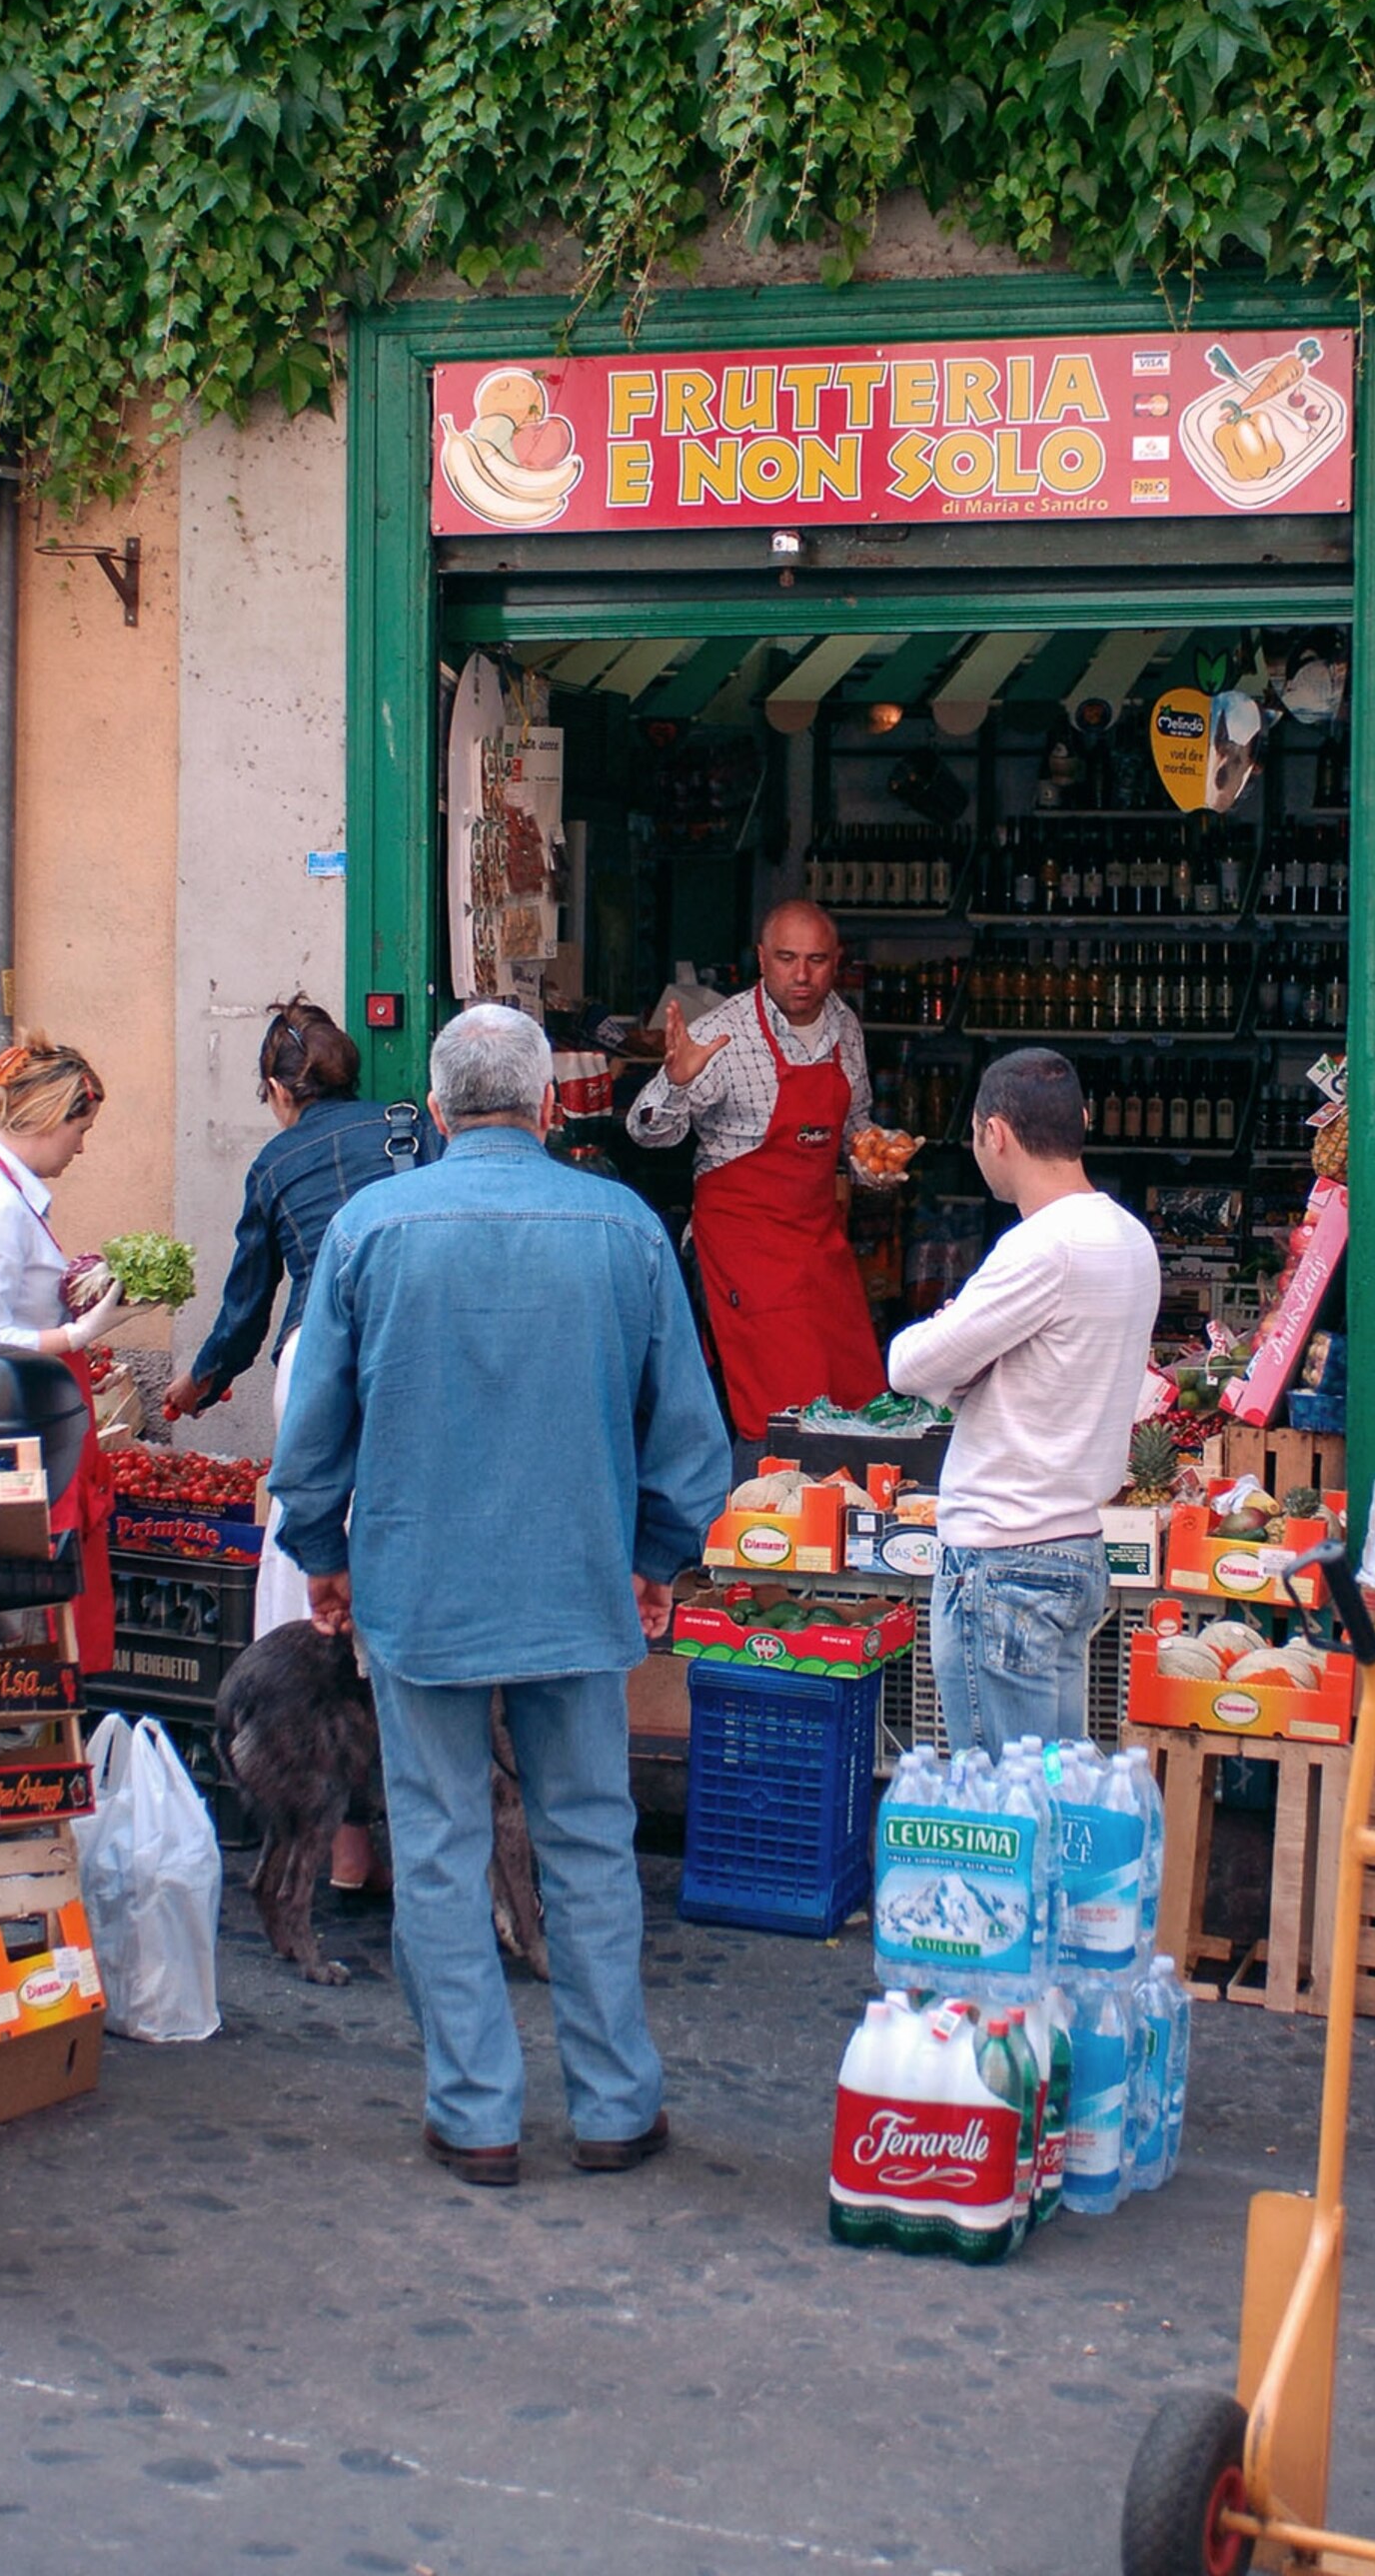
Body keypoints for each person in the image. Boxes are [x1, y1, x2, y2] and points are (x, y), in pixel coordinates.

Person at [272, 1003, 729, 2185]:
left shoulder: (371, 1227)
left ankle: (475, 2115)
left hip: (419, 1583)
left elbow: (313, 1428)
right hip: (576, 1582)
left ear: (434, 1111)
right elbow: (689, 1437)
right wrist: (656, 1558)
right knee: (589, 1843)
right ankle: (614, 2105)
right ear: (548, 1105)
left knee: (436, 1844)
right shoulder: (622, 1227)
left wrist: (319, 1549)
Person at [163, 995, 435, 1894]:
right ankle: (430, 1843)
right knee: (415, 1581)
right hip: (416, 1366)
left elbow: (247, 1304)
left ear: (280, 1090)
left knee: (312, 1590)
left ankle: (344, 1854)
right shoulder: (415, 1130)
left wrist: (198, 1383)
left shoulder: (276, 1160)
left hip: (318, 1367)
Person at [886, 1048, 1159, 1756]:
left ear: (995, 1133)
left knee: (1004, 1797)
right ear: (1082, 1122)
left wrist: (953, 1332)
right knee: (1052, 1782)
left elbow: (910, 1365)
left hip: (1004, 1560)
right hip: (1075, 1546)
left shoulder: (1043, 1247)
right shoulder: (1130, 1238)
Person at [625, 898, 887, 1438]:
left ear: (837, 961)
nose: (801, 975)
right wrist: (674, 1083)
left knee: (859, 1400)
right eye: (787, 958)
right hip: (743, 1251)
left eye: (816, 960)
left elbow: (854, 1126)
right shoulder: (723, 1035)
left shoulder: (846, 1025)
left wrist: (873, 1157)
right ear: (762, 959)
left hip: (819, 1246)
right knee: (788, 1414)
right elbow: (645, 1133)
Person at [0, 1033, 133, 1672]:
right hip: (2, 1437)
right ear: (48, 1117)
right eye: (80, 1130)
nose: (81, 1147)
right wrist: (78, 1334)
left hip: (13, 1425)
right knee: (25, 1633)